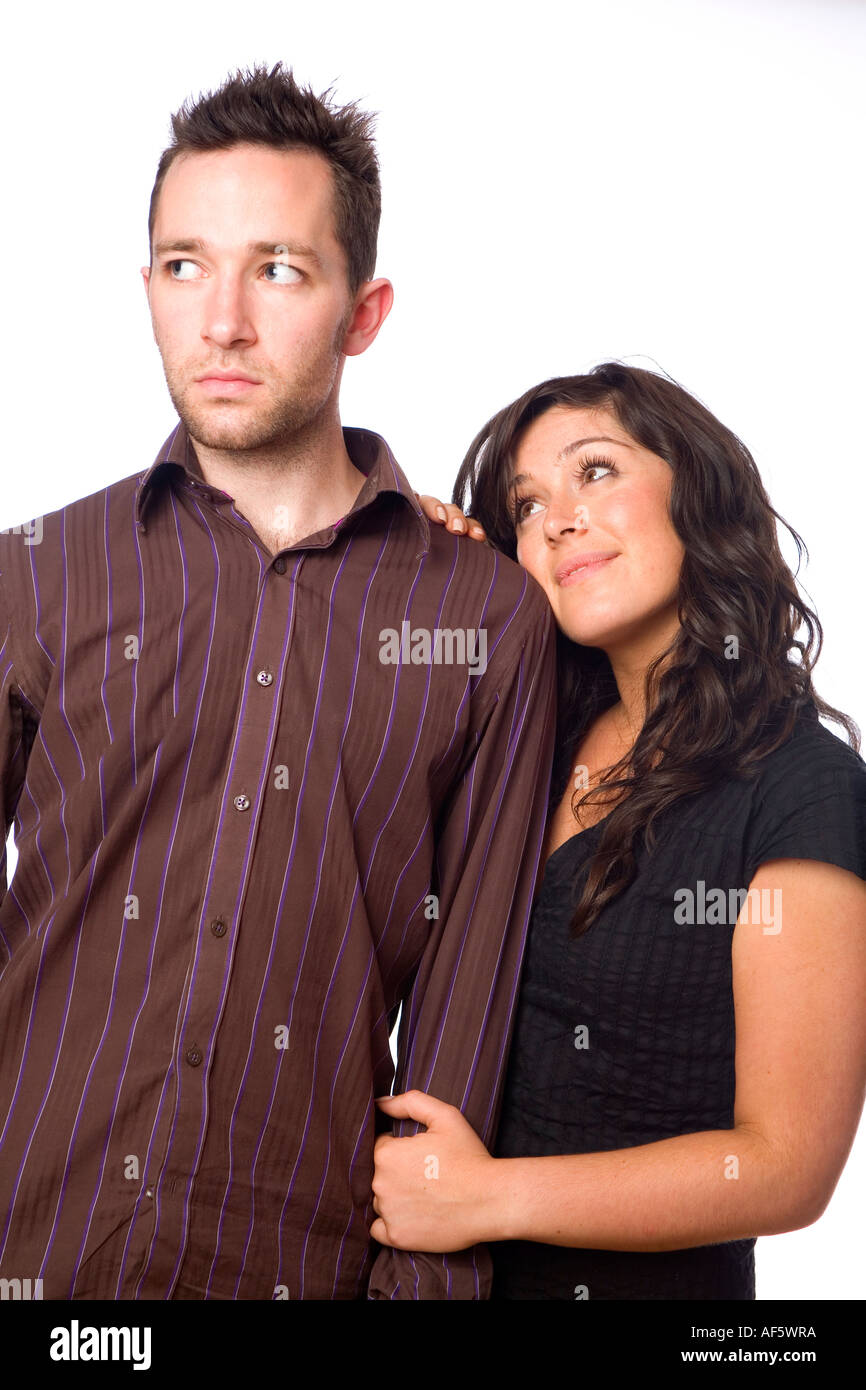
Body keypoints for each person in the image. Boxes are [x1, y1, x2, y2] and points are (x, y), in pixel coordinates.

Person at [0, 62, 558, 1301]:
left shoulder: (483, 619)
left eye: (280, 270)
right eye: (184, 265)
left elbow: (465, 1017)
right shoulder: (34, 576)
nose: (222, 323)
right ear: (147, 287)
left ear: (363, 311)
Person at [370, 362, 866, 1299]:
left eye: (594, 471)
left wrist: (488, 1198)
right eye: (524, 507)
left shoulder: (804, 789)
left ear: (698, 491)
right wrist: (422, 570)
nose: (556, 520)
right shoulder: (528, 745)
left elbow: (786, 1167)